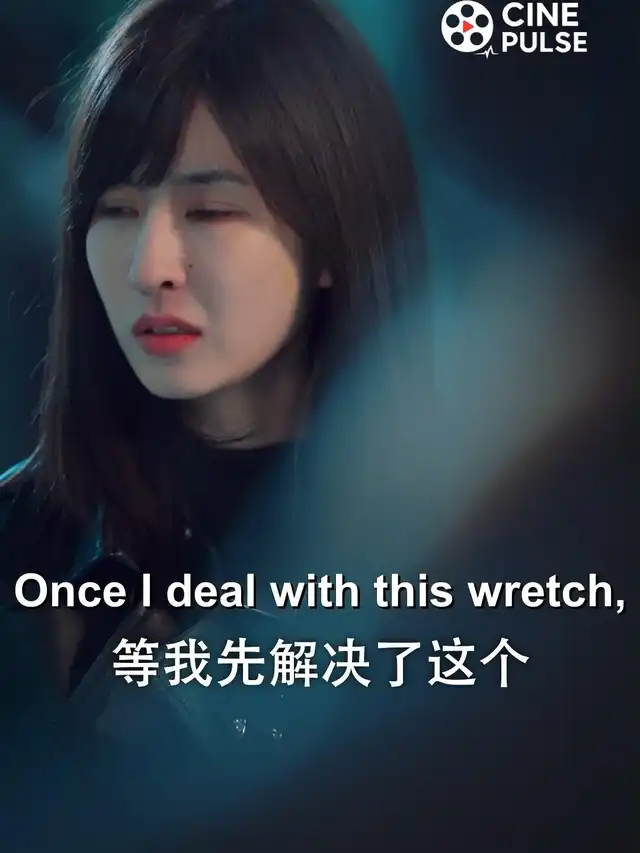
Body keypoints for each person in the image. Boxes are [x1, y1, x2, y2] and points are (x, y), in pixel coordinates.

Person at [0, 0, 425, 848]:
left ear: (334, 231)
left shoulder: (449, 546)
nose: (150, 265)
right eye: (117, 209)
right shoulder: (23, 539)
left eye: (211, 212)